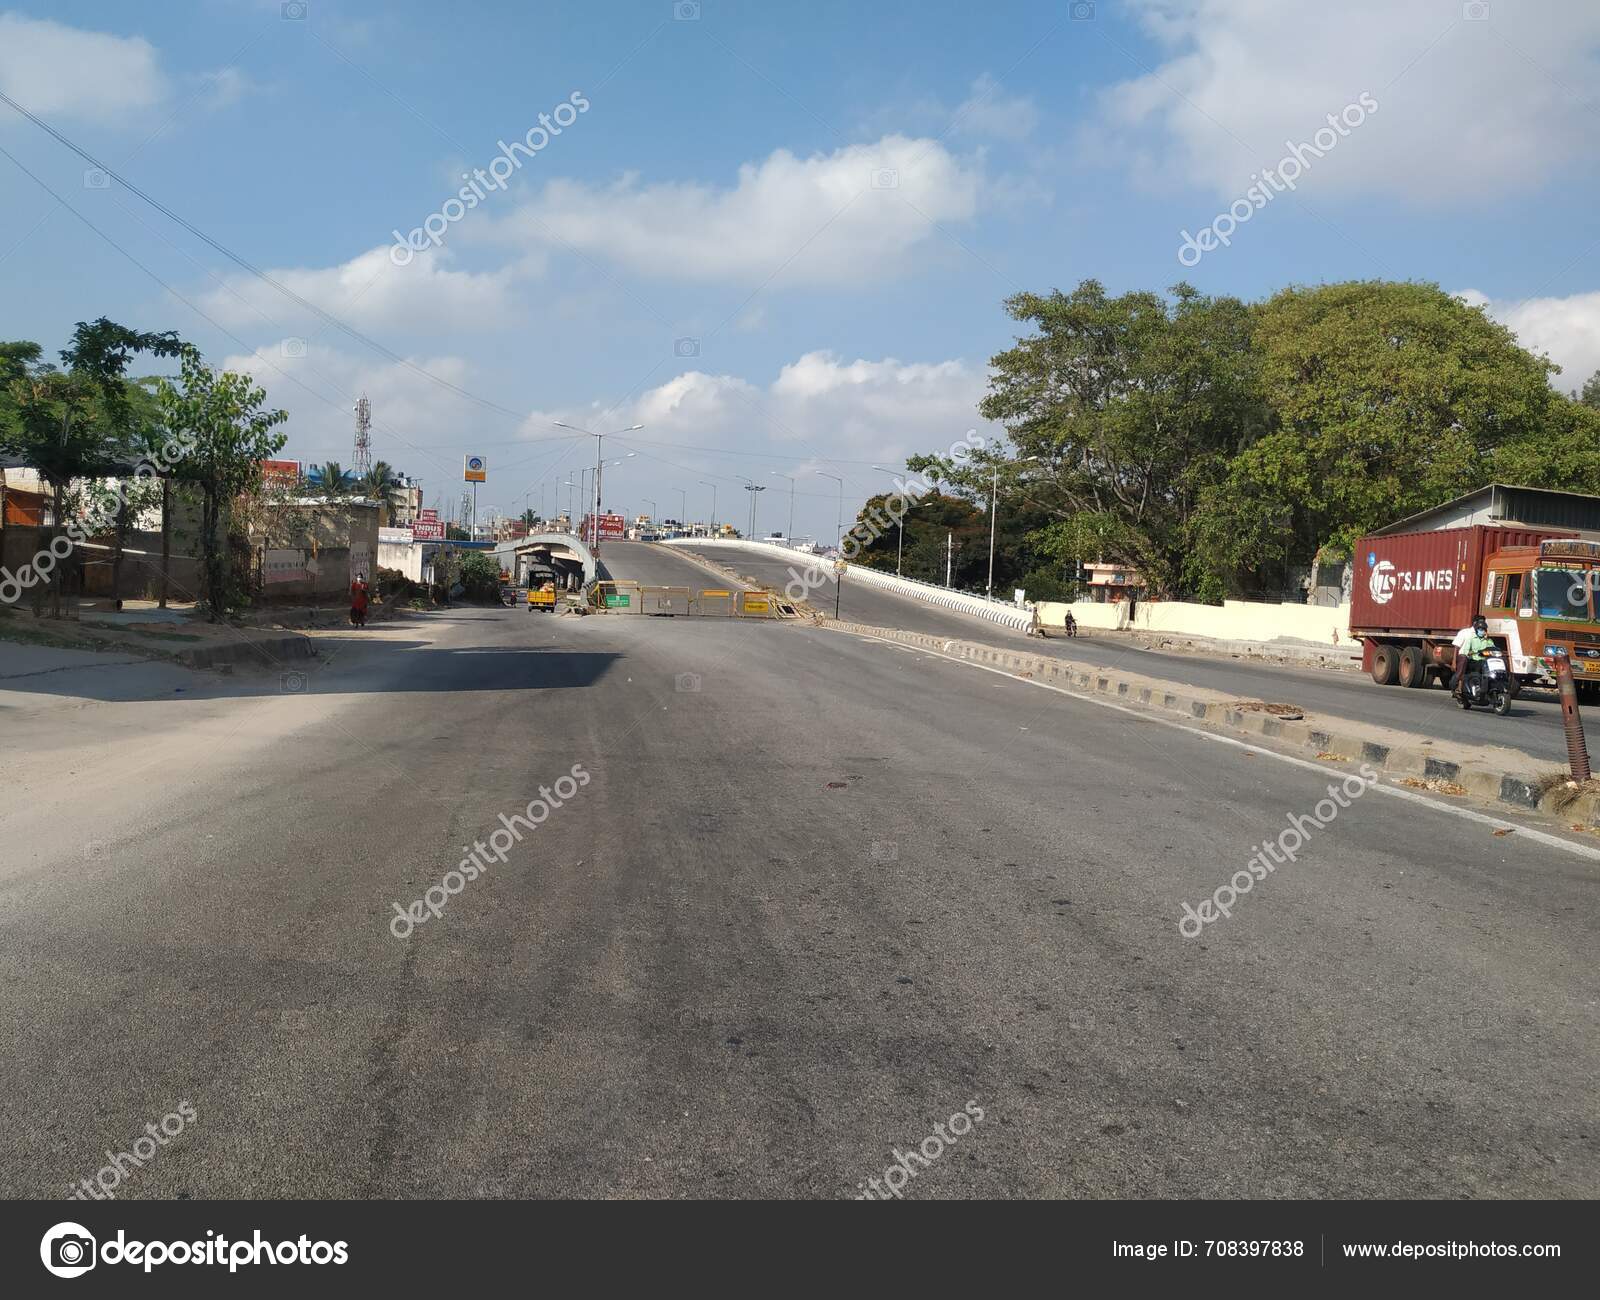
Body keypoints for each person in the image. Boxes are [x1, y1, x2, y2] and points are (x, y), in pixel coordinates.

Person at [1450, 614, 1494, 698]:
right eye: (1480, 623)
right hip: (1464, 657)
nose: (1482, 625)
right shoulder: (1466, 633)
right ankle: (1458, 686)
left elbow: (1492, 647)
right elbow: (1457, 647)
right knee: (1463, 661)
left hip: (1480, 659)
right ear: (1475, 623)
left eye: (1483, 623)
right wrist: (1454, 661)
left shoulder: (1486, 637)